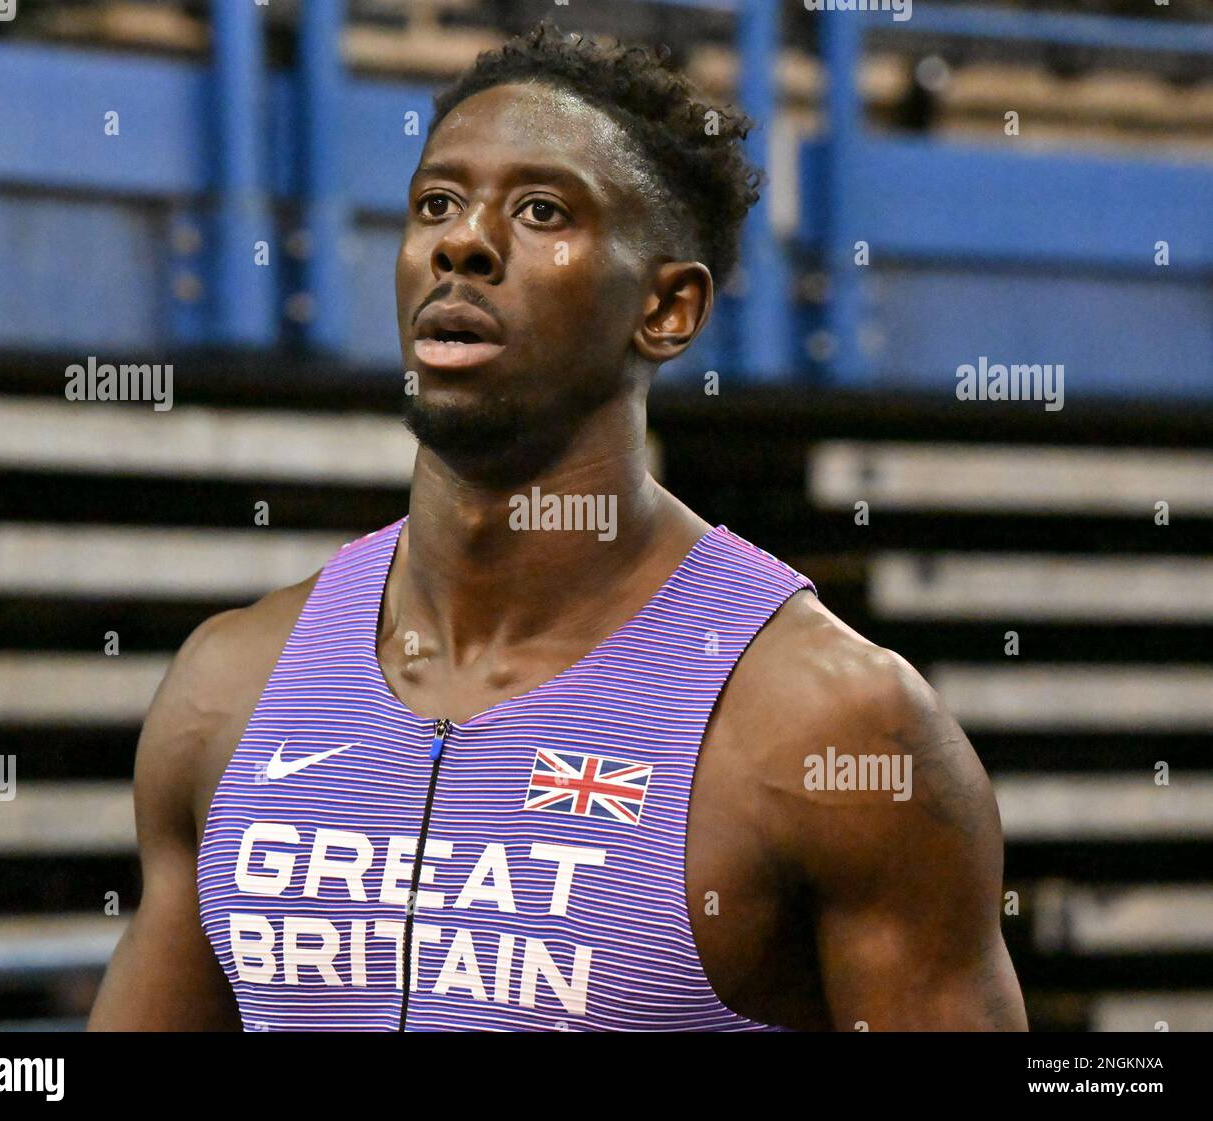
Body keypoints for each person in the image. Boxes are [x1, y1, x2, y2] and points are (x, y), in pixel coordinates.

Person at [89, 21, 1026, 1031]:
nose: (462, 241)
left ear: (666, 307)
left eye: (541, 210)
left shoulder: (829, 726)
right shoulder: (230, 688)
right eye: (435, 203)